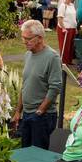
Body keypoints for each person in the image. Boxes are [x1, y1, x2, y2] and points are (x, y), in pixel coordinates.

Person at [13, 20, 62, 150]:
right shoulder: (28, 55)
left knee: (38, 156)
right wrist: (18, 111)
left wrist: (40, 111)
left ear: (40, 38)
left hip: (43, 117)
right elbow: (25, 85)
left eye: (28, 39)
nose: (24, 41)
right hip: (27, 114)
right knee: (26, 154)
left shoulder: (52, 57)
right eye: (23, 38)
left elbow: (55, 87)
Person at [56, 0, 78, 65]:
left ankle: (69, 61)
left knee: (71, 46)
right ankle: (64, 62)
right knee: (65, 46)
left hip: (72, 28)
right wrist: (63, 28)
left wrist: (76, 28)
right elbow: (60, 18)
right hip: (65, 29)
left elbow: (74, 18)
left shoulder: (72, 5)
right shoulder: (63, 6)